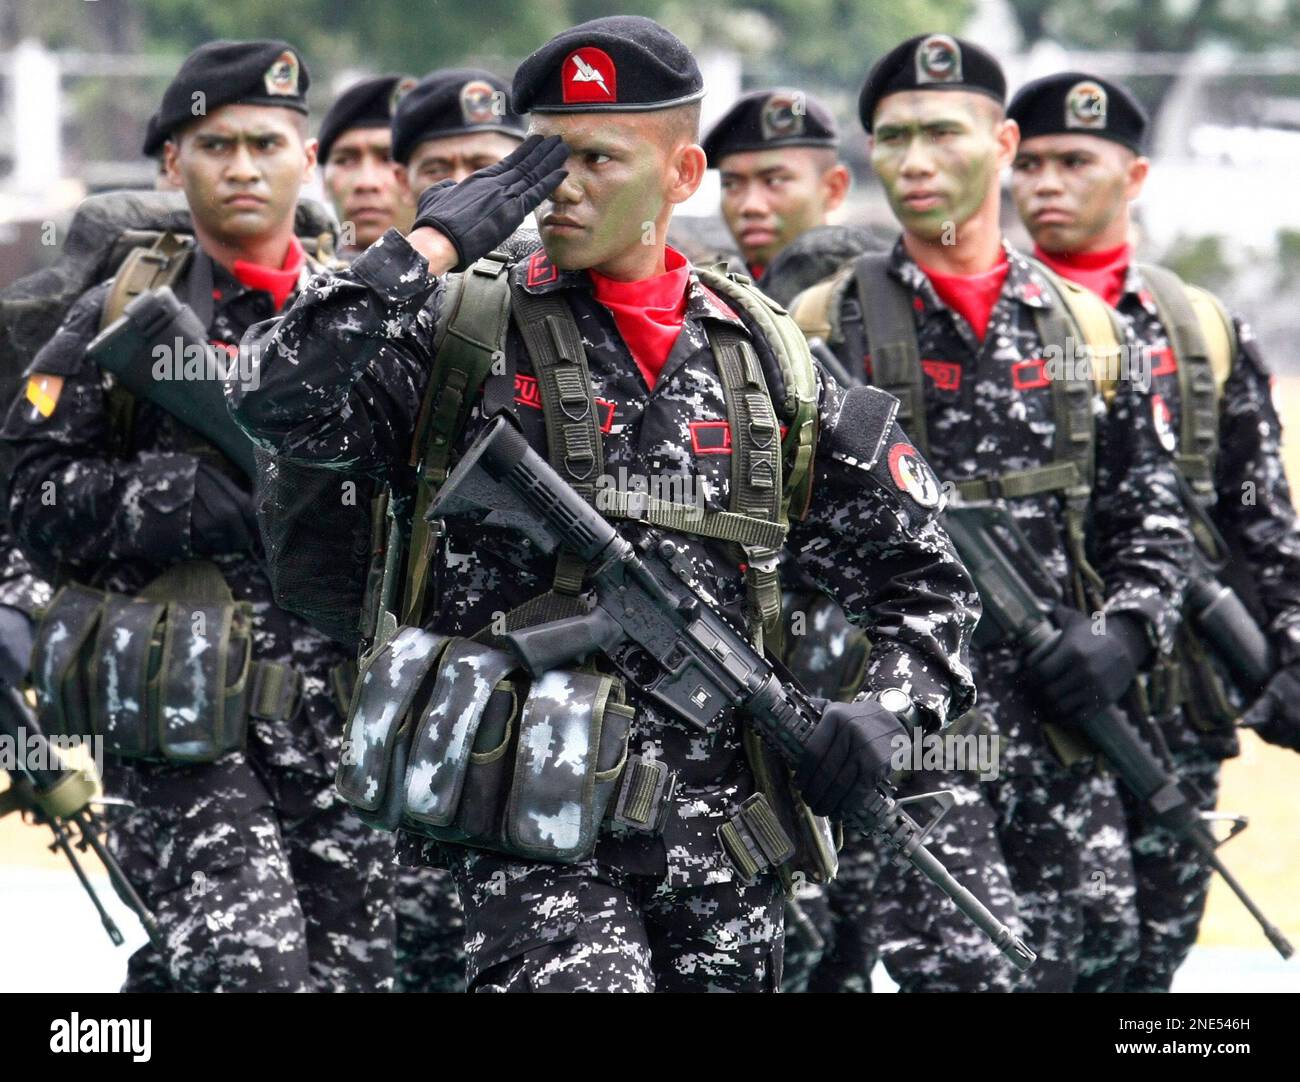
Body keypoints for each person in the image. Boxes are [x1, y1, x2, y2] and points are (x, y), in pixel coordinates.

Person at [231, 15, 983, 993]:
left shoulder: (769, 358)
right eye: (543, 157)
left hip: (725, 850)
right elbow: (271, 393)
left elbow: (926, 576)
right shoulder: (456, 330)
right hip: (529, 838)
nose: (561, 185)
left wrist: (882, 715)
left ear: (680, 174)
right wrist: (428, 243)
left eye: (596, 157)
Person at [789, 33, 1193, 992]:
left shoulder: (1092, 332)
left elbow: (1155, 518)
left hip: (1060, 727)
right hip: (911, 732)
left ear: (1005, 145)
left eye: (943, 133)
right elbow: (771, 542)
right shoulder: (816, 329)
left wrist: (1126, 633)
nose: (914, 162)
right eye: (891, 139)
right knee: (974, 975)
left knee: (1091, 965)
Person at [2, 39, 395, 993]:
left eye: (267, 142)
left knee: (351, 973)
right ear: (173, 165)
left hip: (343, 727)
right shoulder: (116, 316)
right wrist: (186, 502)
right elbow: (28, 491)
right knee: (246, 965)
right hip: (181, 721)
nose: (244, 167)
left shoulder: (363, 315)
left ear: (307, 157)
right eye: (215, 145)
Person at [1008, 71, 1300, 989]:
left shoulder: (1199, 329)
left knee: (1150, 975)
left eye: (1076, 162)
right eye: (1034, 163)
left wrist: (1291, 649)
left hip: (1175, 712)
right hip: (1028, 706)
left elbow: (1259, 515)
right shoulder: (986, 324)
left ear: (1133, 177)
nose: (1047, 183)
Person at [317, 75, 417, 256]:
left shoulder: (472, 282)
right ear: (324, 181)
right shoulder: (298, 279)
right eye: (345, 160)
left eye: (389, 159)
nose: (366, 182)